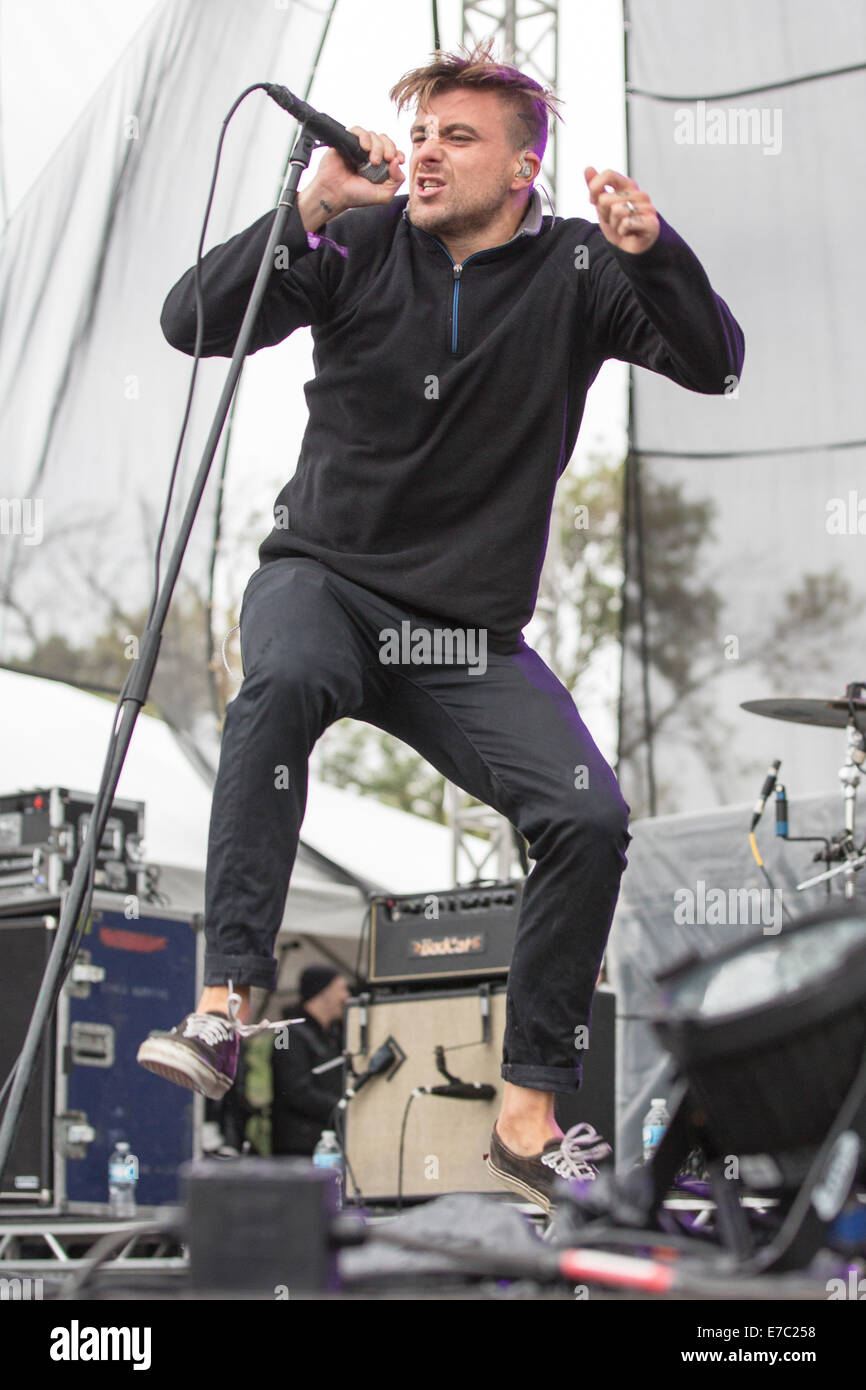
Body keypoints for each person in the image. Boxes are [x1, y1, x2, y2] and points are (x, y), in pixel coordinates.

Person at [138, 42, 744, 1213]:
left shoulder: (576, 266)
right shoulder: (357, 241)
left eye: (456, 136)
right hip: (323, 580)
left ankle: (526, 1107)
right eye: (416, 131)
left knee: (585, 812)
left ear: (525, 168)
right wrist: (310, 203)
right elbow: (189, 322)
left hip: (462, 634)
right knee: (283, 681)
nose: (422, 151)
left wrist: (653, 255)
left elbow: (712, 361)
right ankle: (223, 1004)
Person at [270, 966, 349, 1157]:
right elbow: (293, 1089)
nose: (347, 997)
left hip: (328, 1141)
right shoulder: (285, 1031)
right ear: (324, 992)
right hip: (298, 1149)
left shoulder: (332, 1035)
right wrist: (342, 1107)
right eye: (341, 989)